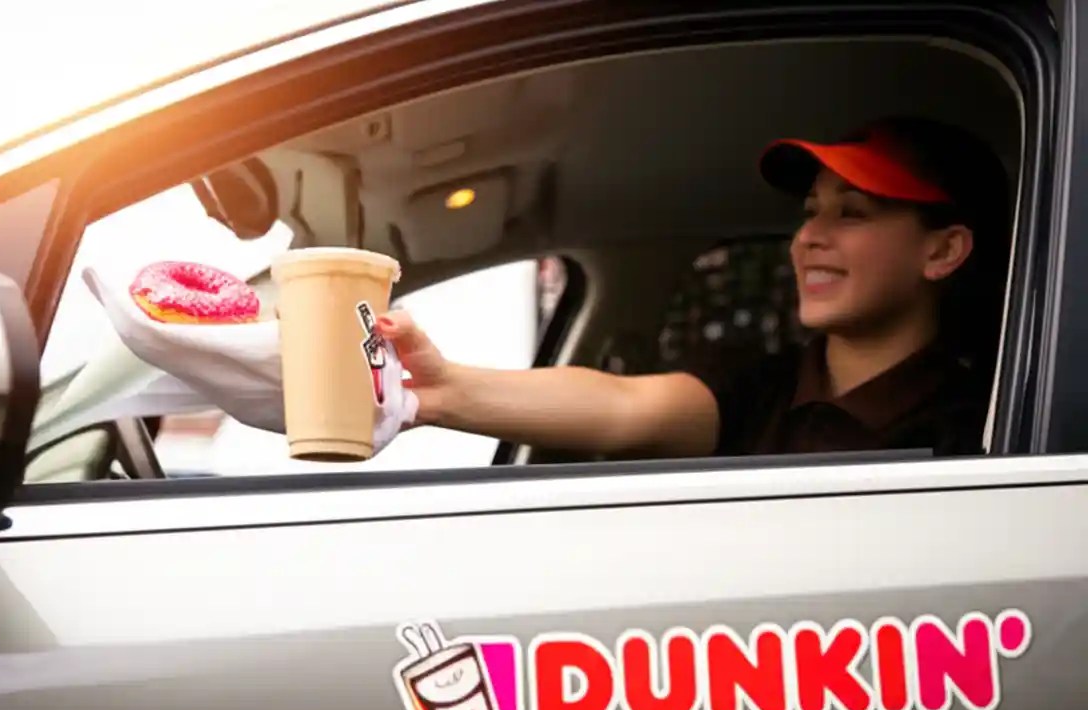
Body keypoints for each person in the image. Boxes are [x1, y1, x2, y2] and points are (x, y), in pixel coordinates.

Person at [374, 116, 1012, 458]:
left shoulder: (990, 422)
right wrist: (439, 392)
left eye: (852, 213)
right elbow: (624, 408)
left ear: (943, 250)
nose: (809, 237)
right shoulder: (762, 386)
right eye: (810, 211)